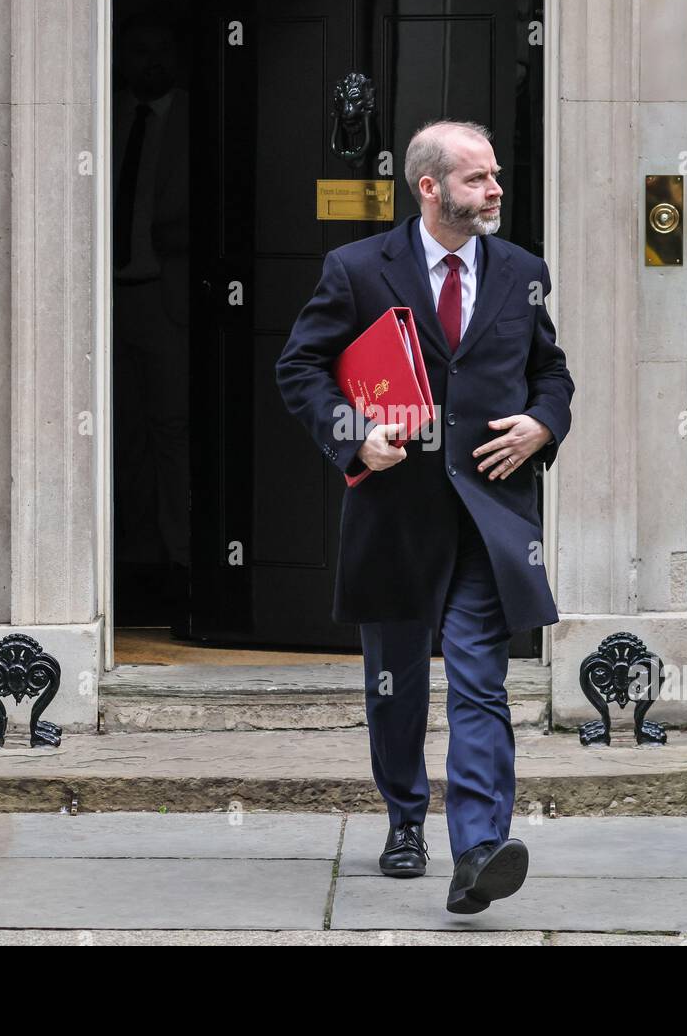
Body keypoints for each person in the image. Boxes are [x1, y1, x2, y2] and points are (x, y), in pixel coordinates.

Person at [274, 120, 574, 914]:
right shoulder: (356, 268)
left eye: (497, 175)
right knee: (396, 683)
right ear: (430, 188)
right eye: (479, 179)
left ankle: (478, 847)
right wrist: (353, 438)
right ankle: (405, 818)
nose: (497, 191)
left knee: (480, 680)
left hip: (488, 514)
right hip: (395, 512)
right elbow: (299, 368)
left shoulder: (522, 271)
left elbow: (552, 373)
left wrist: (544, 423)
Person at [111, 12, 191, 624]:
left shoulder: (192, 117)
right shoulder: (101, 113)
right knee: (122, 435)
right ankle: (131, 566)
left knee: (171, 431)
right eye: (137, 49)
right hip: (106, 298)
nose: (148, 62)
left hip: (166, 293)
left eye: (159, 48)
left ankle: (181, 567)